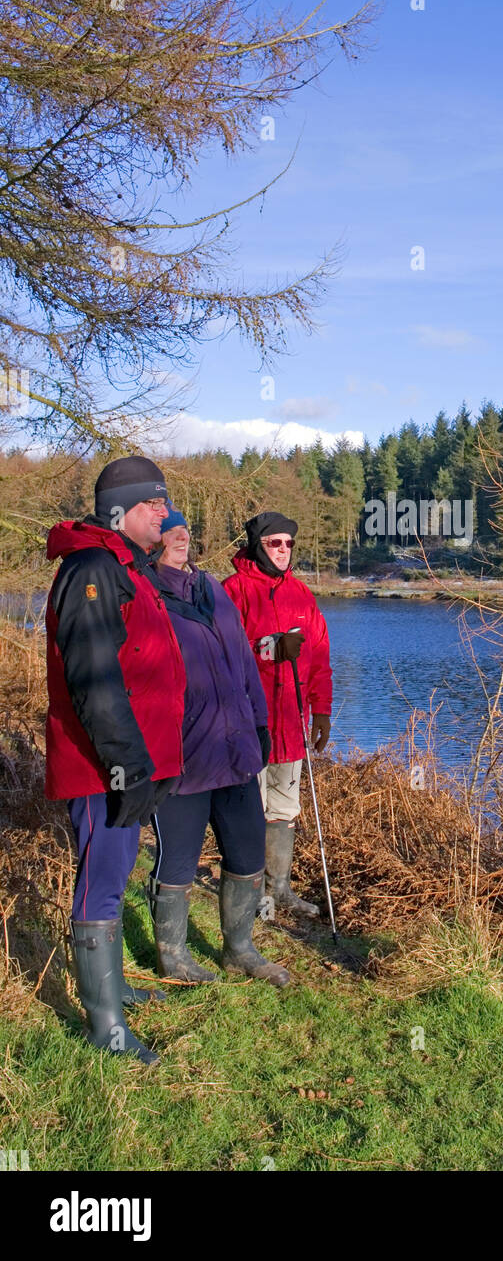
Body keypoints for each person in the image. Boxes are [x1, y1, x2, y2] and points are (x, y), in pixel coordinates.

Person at [45, 456, 186, 1066]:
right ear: (118, 511)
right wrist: (127, 764)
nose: (165, 510)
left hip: (128, 763)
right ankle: (106, 1029)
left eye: (164, 501)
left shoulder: (127, 567)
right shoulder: (92, 569)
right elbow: (95, 681)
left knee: (118, 868)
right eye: (153, 503)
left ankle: (116, 989)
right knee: (101, 884)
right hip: (102, 765)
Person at [147, 508, 289, 988]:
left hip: (235, 750)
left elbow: (244, 661)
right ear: (150, 540)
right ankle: (174, 958)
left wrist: (260, 722)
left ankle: (240, 950)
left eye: (185, 530)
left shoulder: (210, 589)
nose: (181, 537)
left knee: (247, 855)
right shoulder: (143, 593)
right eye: (170, 532)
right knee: (177, 862)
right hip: (182, 757)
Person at [223, 512, 332, 920]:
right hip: (247, 724)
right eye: (275, 544)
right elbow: (220, 657)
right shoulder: (232, 591)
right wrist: (265, 649)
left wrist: (321, 711)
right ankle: (247, 897)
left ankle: (279, 890)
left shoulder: (302, 595)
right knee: (250, 808)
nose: (284, 551)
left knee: (285, 807)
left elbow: (320, 659)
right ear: (257, 546)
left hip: (292, 723)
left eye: (289, 544)